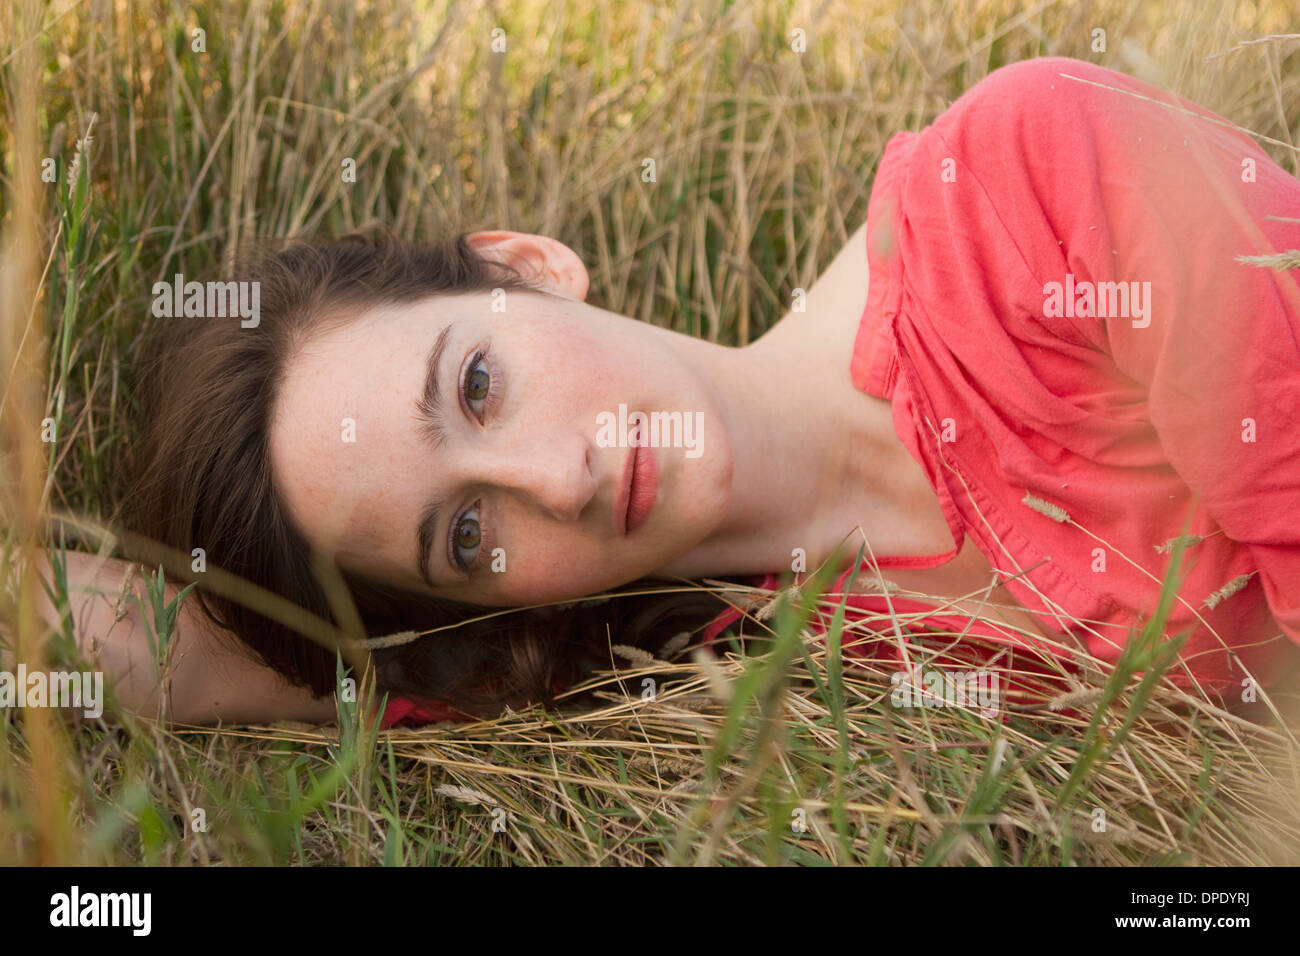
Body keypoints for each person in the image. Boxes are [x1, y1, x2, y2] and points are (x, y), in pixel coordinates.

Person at [23, 55, 1300, 728]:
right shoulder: (694, 654)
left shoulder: (1030, 187)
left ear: (528, 267)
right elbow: (161, 650)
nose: (556, 478)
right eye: (467, 534)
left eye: (478, 385)